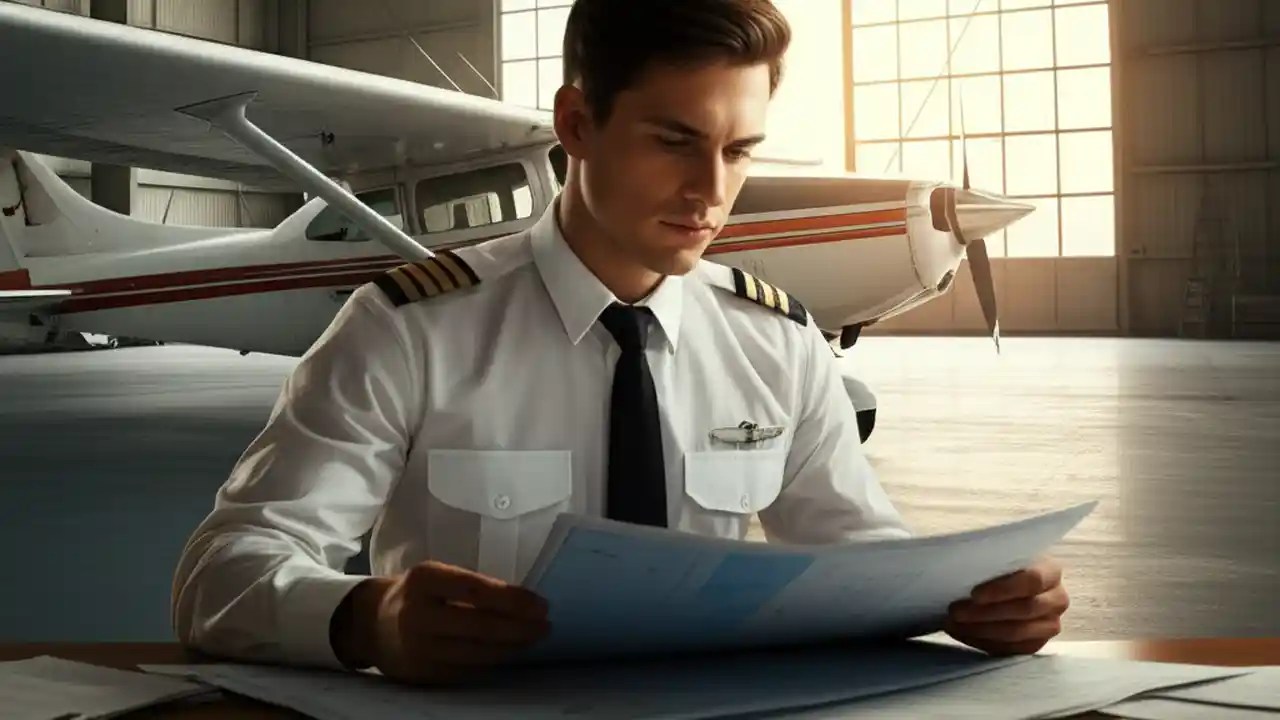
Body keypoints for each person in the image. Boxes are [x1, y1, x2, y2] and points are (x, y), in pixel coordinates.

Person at [171, 0, 1069, 686]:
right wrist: (366, 619)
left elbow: (859, 556)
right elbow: (219, 577)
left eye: (740, 150)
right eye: (674, 141)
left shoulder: (780, 344)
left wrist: (971, 601)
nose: (710, 191)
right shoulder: (407, 331)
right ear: (575, 124)